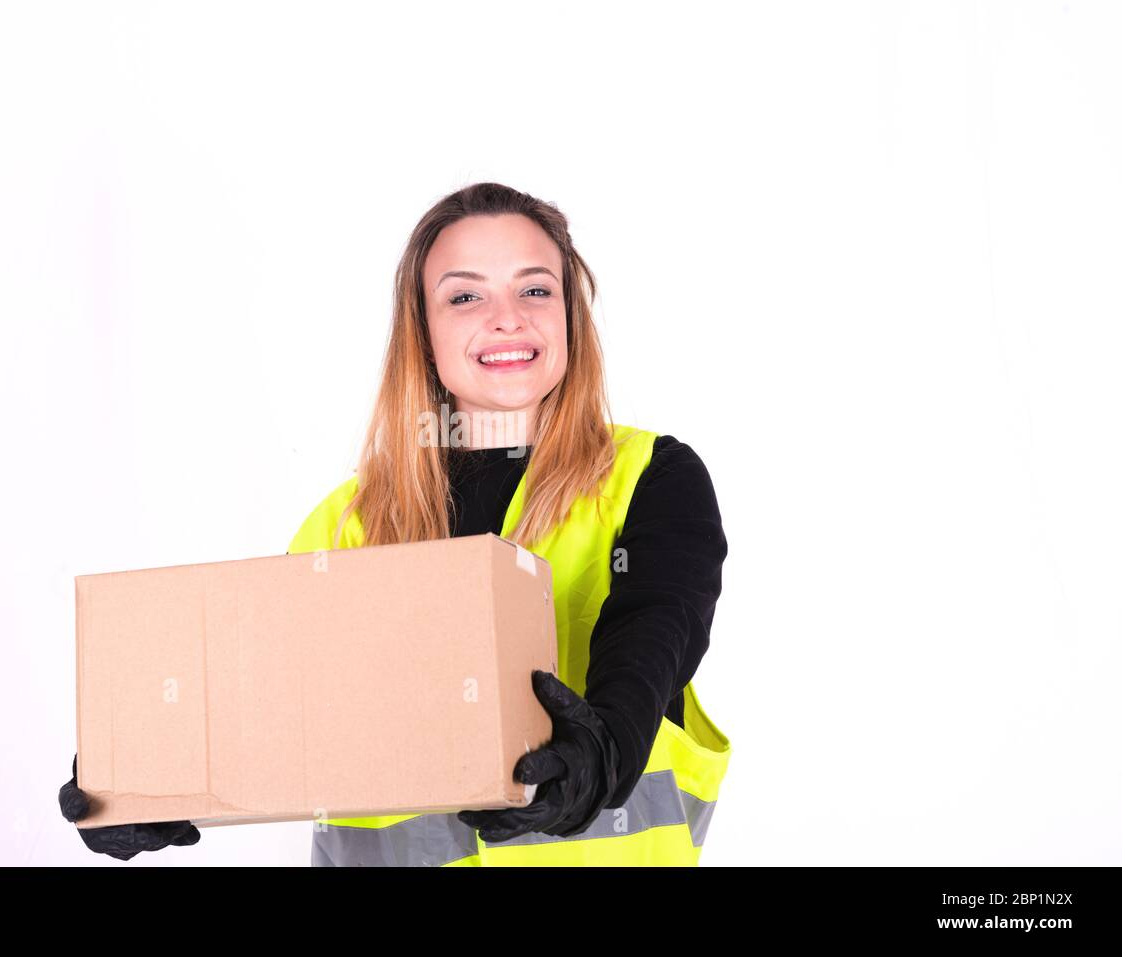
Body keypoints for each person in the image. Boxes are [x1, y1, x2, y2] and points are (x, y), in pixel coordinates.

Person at [59, 181, 731, 866]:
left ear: (570, 317)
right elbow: (252, 710)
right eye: (465, 295)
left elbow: (652, 639)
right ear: (424, 331)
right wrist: (136, 777)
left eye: (535, 290)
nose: (507, 318)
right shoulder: (345, 526)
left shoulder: (651, 479)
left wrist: (599, 754)